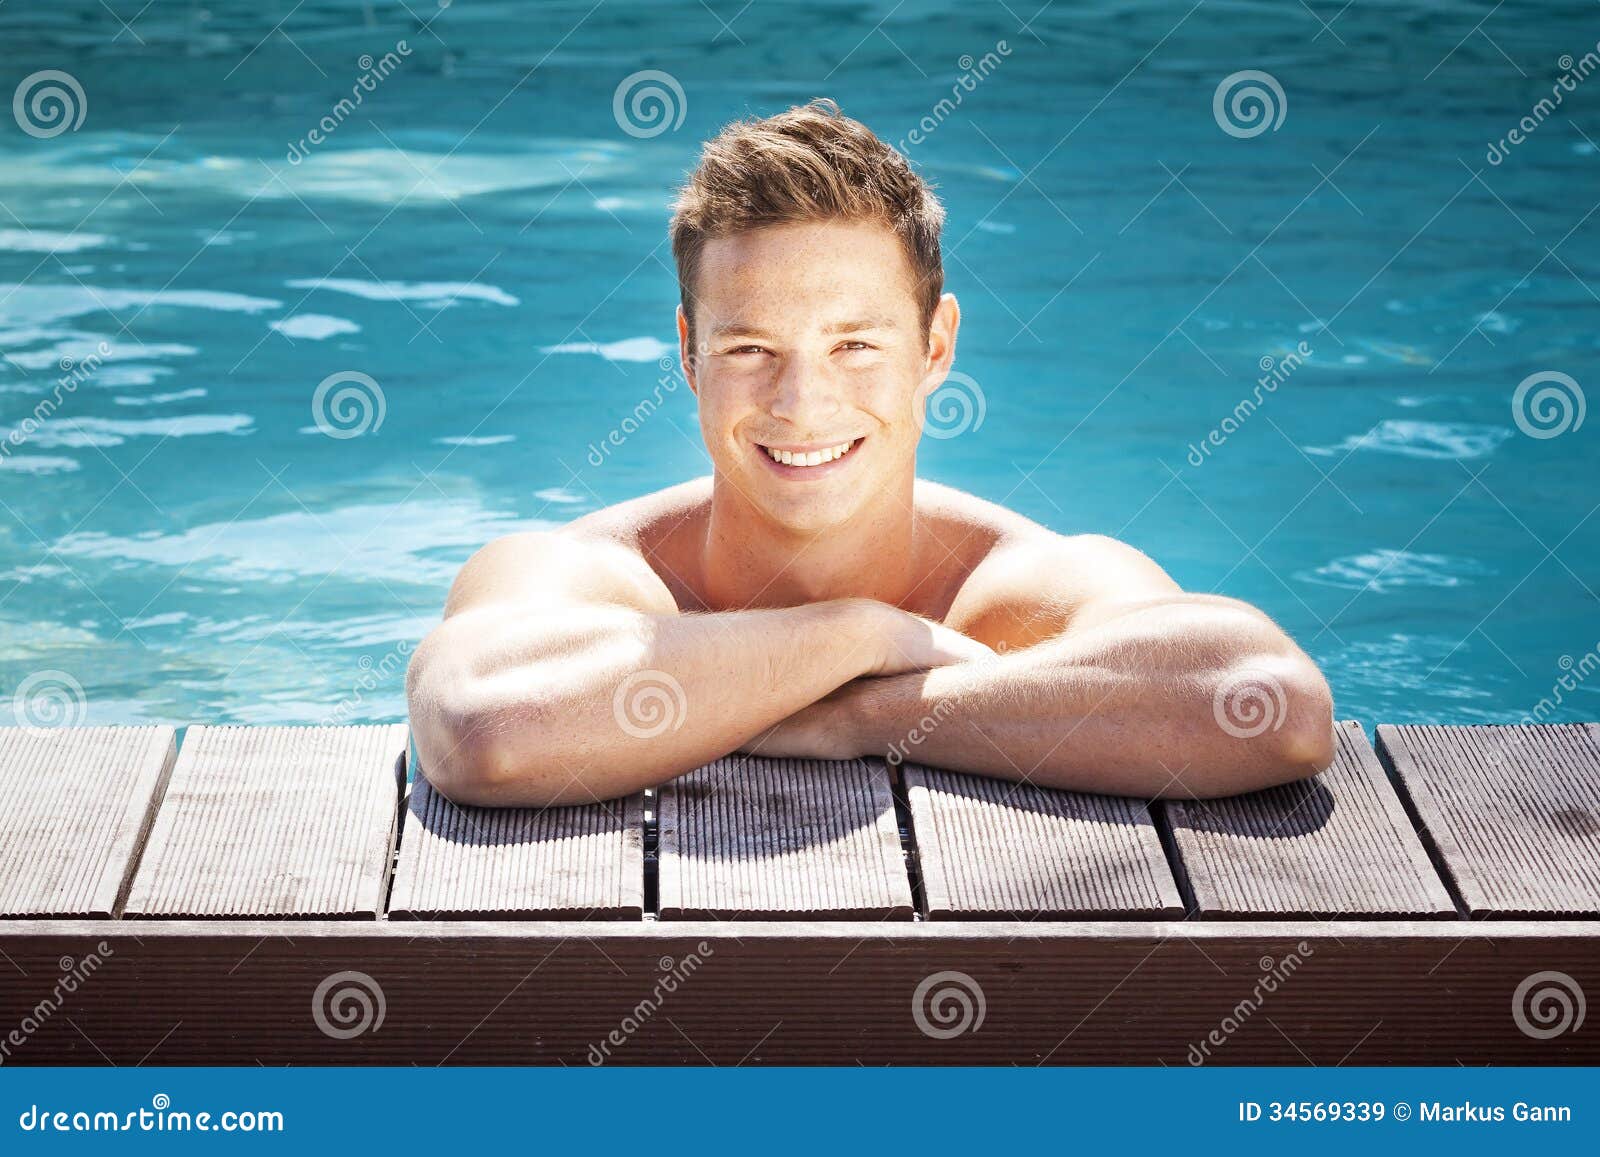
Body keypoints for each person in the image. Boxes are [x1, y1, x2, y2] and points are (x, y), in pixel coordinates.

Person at [406, 99, 1334, 807]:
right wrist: (862, 634)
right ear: (688, 353)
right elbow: (483, 730)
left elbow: (1268, 703)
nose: (801, 403)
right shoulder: (598, 576)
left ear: (935, 348)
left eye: (855, 344)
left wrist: (860, 713)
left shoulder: (1013, 589)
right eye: (748, 349)